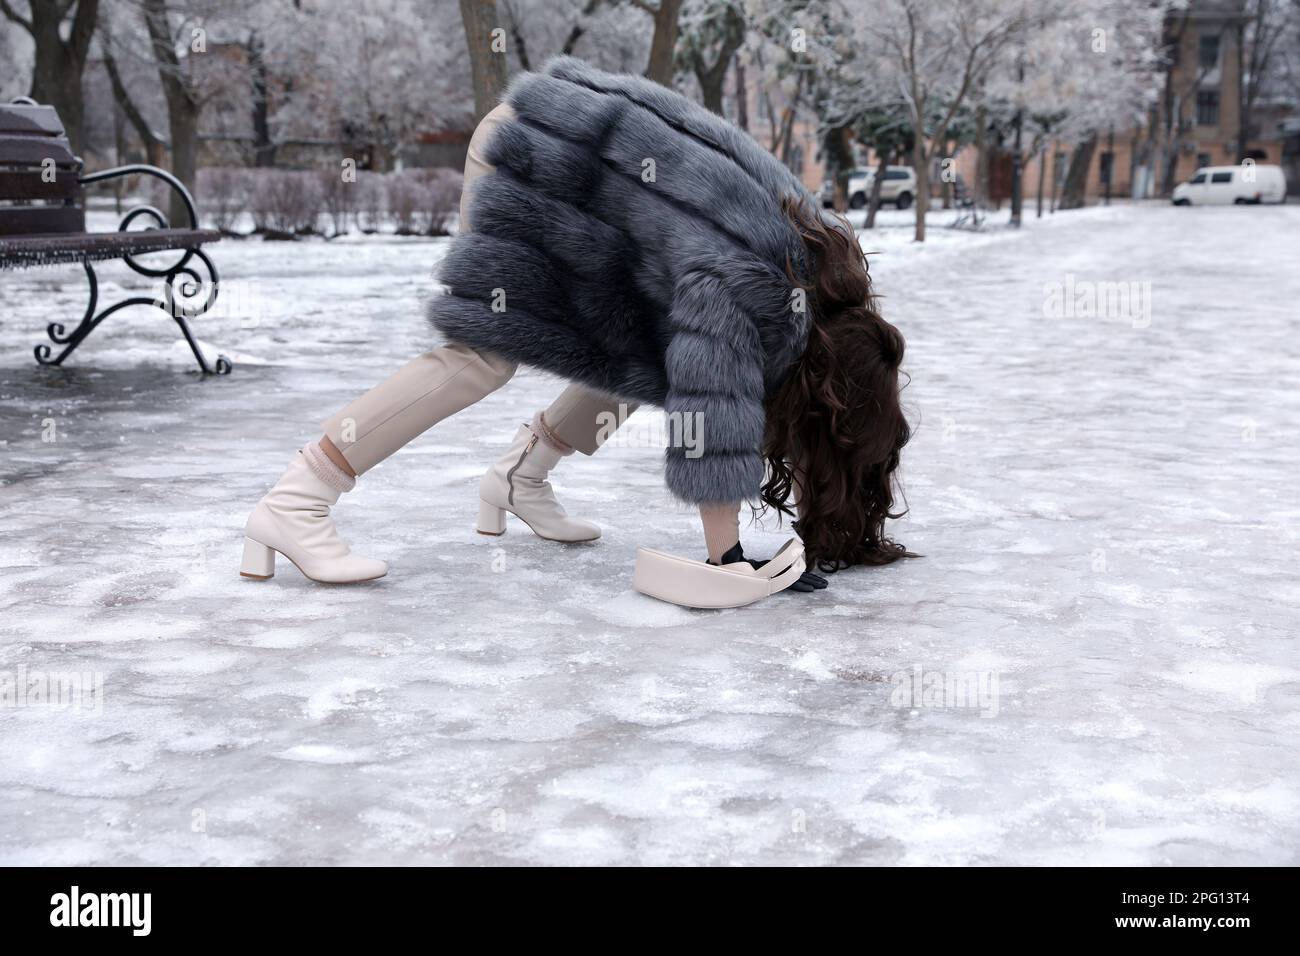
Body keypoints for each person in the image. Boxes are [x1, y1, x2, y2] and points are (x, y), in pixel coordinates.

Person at [239, 57, 910, 588]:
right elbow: (713, 412)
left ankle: (519, 478)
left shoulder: (820, 274)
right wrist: (727, 558)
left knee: (652, 353)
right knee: (482, 355)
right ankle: (298, 499)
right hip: (539, 152)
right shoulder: (762, 292)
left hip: (592, 161)